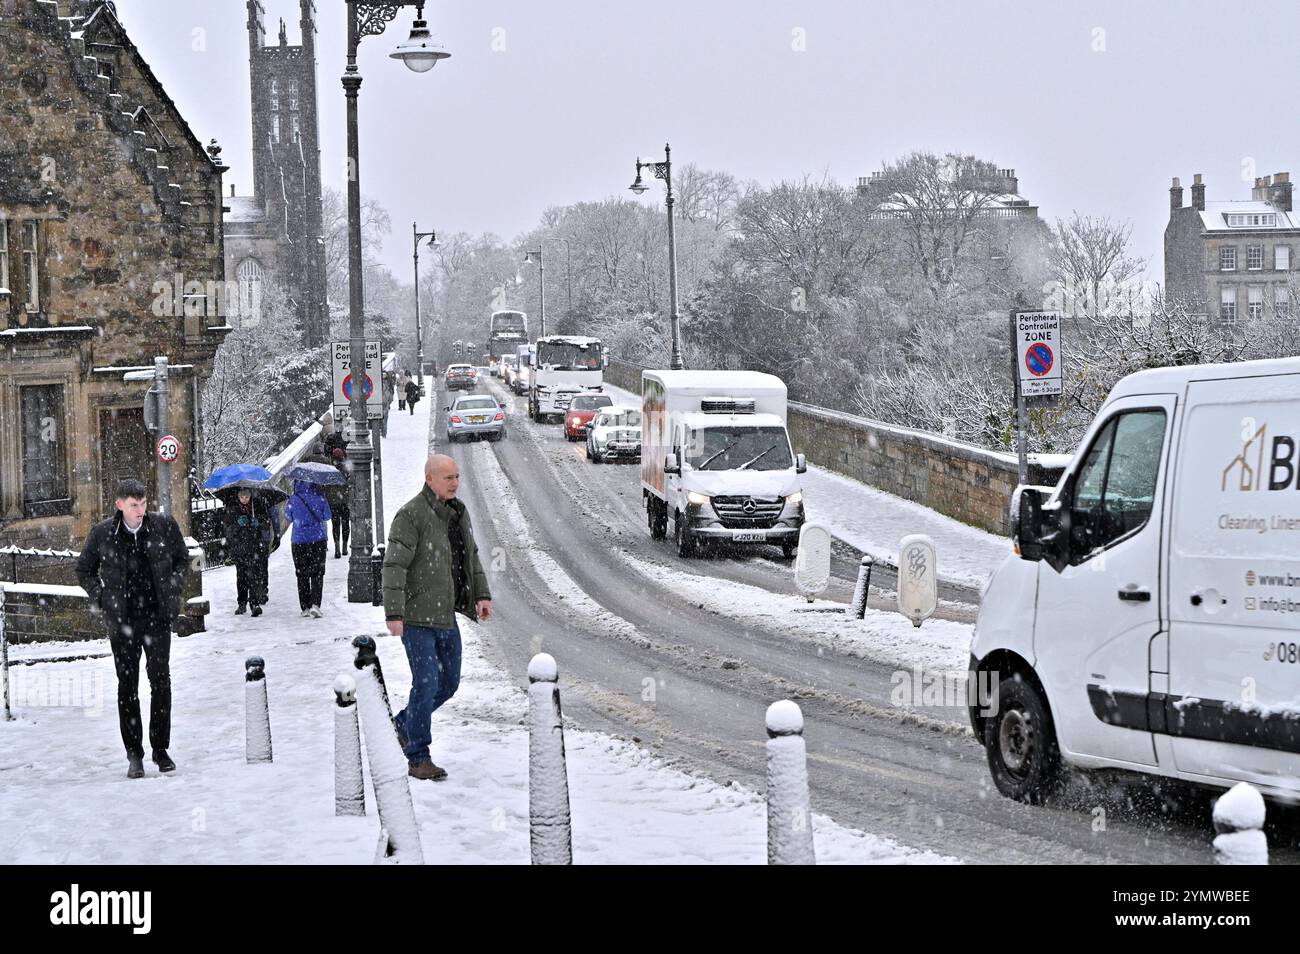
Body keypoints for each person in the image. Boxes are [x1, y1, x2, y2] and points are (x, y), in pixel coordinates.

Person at [383, 454, 492, 781]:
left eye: (457, 476)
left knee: (448, 683)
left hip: (445, 616)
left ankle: (402, 725)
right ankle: (418, 757)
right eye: (448, 478)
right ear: (429, 478)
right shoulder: (411, 515)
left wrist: (482, 595)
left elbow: (470, 555)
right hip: (417, 619)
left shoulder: (457, 513)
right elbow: (394, 565)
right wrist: (394, 612)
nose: (455, 483)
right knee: (427, 682)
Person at [75, 478, 190, 779]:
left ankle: (160, 750)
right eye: (133, 505)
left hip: (157, 618)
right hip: (123, 622)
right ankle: (134, 754)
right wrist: (102, 597)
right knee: (127, 688)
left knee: (160, 682)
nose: (140, 510)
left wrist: (174, 586)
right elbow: (83, 570)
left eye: (142, 504)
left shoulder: (163, 526)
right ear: (120, 505)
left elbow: (182, 559)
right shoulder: (103, 534)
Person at [223, 487, 277, 616]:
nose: (244, 500)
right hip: (239, 548)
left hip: (254, 547)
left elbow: (265, 523)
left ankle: (254, 603)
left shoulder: (257, 506)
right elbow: (227, 529)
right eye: (242, 497)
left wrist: (257, 523)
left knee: (254, 576)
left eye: (247, 497)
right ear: (238, 497)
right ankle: (242, 603)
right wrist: (238, 525)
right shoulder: (232, 508)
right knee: (241, 577)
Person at [284, 479, 332, 618]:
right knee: (317, 573)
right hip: (317, 539)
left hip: (299, 541)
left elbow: (288, 517)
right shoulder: (320, 497)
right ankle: (315, 605)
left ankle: (305, 607)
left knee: (302, 574)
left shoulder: (294, 498)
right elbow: (327, 516)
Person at [323, 446, 352, 558]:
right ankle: (345, 546)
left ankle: (337, 548)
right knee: (345, 524)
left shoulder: (329, 470)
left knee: (335, 525)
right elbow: (351, 485)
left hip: (333, 502)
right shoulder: (347, 469)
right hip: (345, 501)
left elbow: (325, 487)